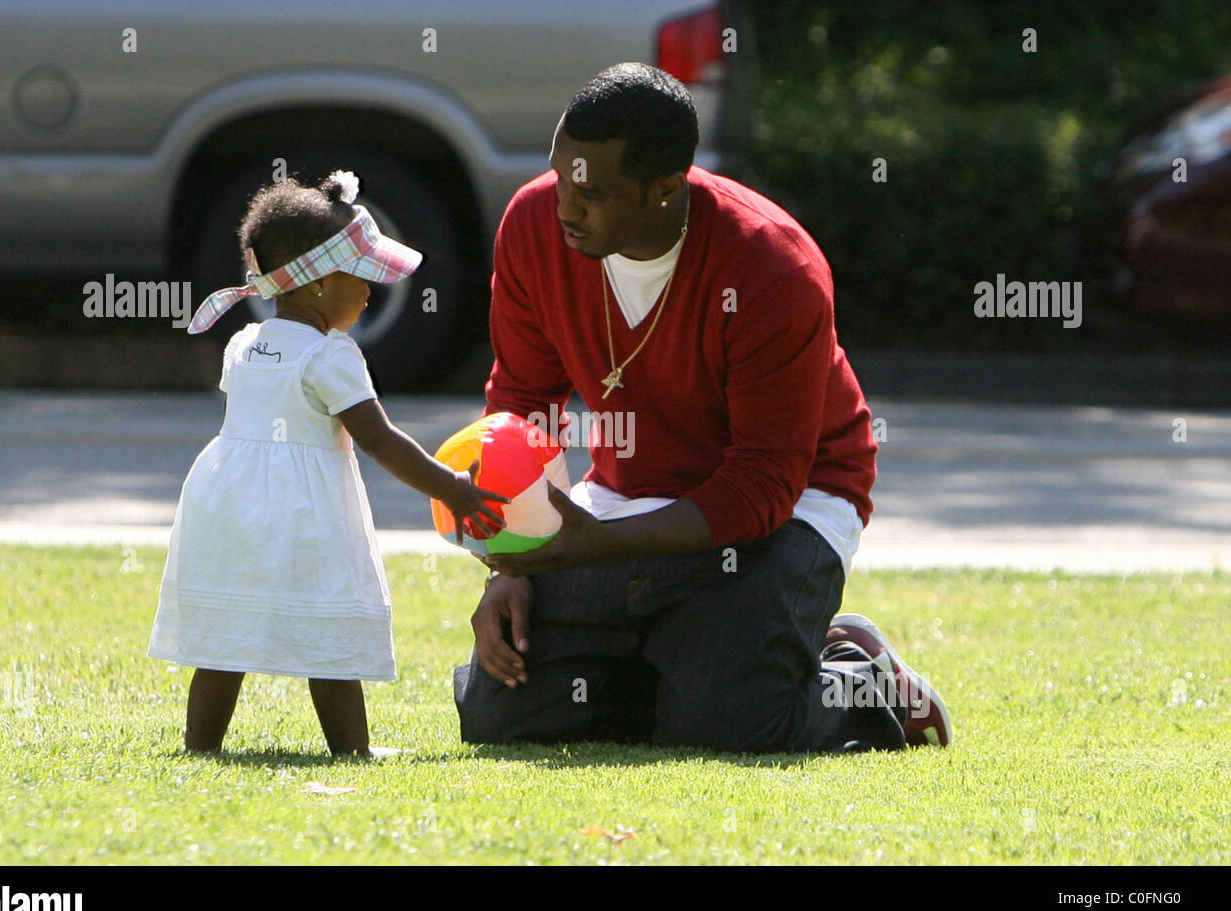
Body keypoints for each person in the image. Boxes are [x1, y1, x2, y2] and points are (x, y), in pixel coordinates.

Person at [453, 64, 952, 753]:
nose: (564, 207)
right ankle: (683, 672)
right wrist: (514, 561)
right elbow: (521, 405)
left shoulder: (772, 264)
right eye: (561, 175)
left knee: (727, 727)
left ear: (664, 189)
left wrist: (598, 549)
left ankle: (860, 678)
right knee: (502, 718)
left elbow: (763, 488)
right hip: (626, 499)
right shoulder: (536, 224)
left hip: (793, 503)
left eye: (591, 192)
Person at [149, 170, 509, 756]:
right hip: (304, 511)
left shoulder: (242, 344)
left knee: (225, 634)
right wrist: (453, 489)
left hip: (226, 505)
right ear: (316, 284)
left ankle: (201, 745)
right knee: (329, 623)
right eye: (361, 278)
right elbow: (380, 439)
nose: (371, 292)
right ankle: (352, 749)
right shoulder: (331, 354)